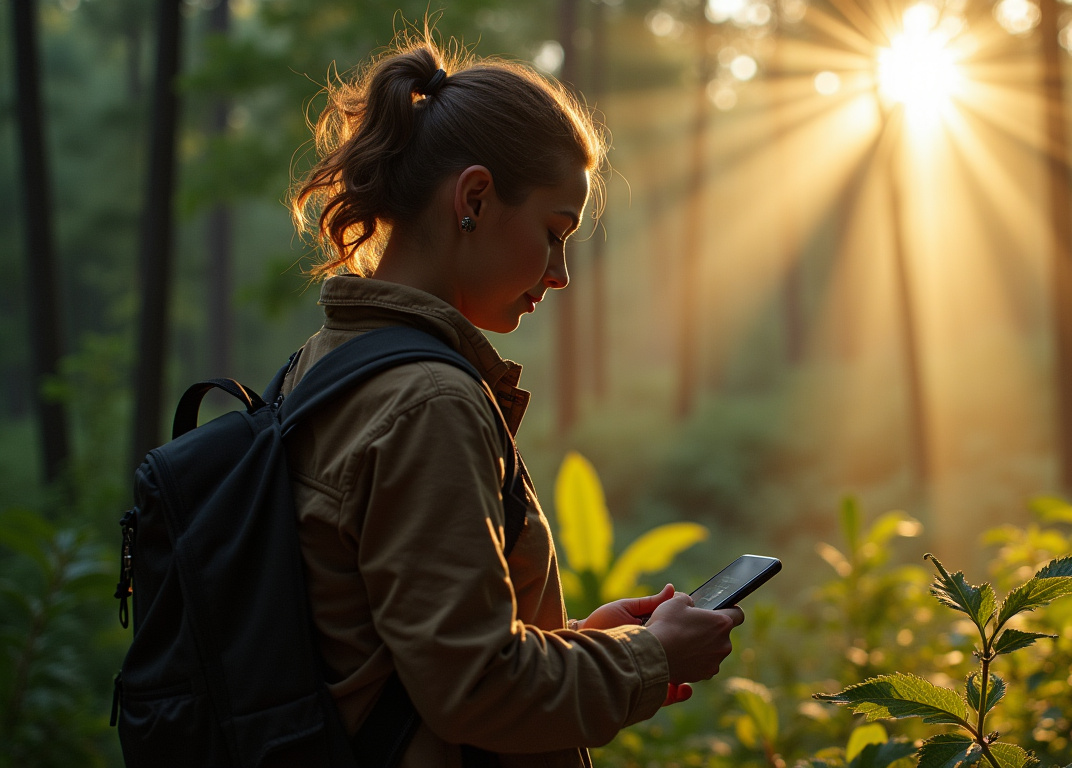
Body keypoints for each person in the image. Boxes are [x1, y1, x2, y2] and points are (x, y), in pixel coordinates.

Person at [281, 36, 743, 767]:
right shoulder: (428, 402)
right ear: (473, 199)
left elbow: (392, 651)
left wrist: (581, 641)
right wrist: (651, 658)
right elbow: (476, 689)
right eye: (555, 233)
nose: (560, 274)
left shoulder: (322, 366)